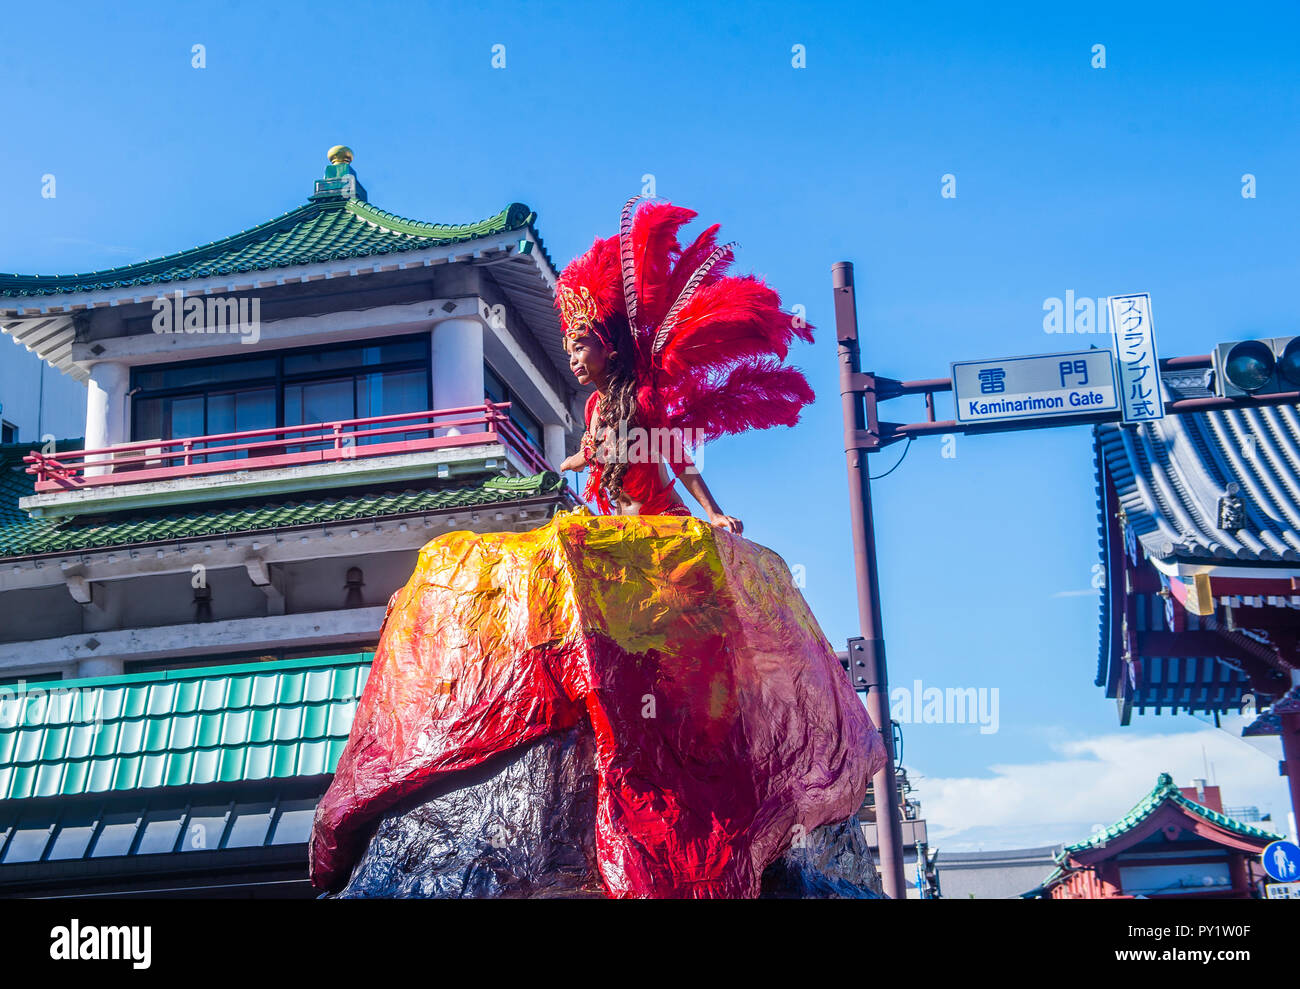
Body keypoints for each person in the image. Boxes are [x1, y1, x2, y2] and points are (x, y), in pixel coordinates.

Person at [554, 197, 816, 534]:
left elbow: (676, 457)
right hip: (622, 528)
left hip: (665, 526)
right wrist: (566, 462)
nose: (573, 358)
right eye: (569, 351)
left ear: (609, 350)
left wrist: (714, 513)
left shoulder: (642, 398)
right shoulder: (593, 407)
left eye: (580, 347)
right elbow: (590, 452)